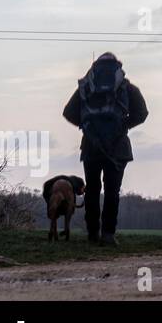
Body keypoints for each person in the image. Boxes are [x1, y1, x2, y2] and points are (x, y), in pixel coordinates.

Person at [61, 52, 148, 245]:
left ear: (95, 67)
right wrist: (124, 126)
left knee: (92, 190)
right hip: (118, 148)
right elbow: (142, 113)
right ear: (118, 67)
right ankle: (108, 234)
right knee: (112, 191)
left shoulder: (86, 87)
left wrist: (86, 125)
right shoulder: (127, 88)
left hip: (91, 147)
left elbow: (68, 112)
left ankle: (93, 234)